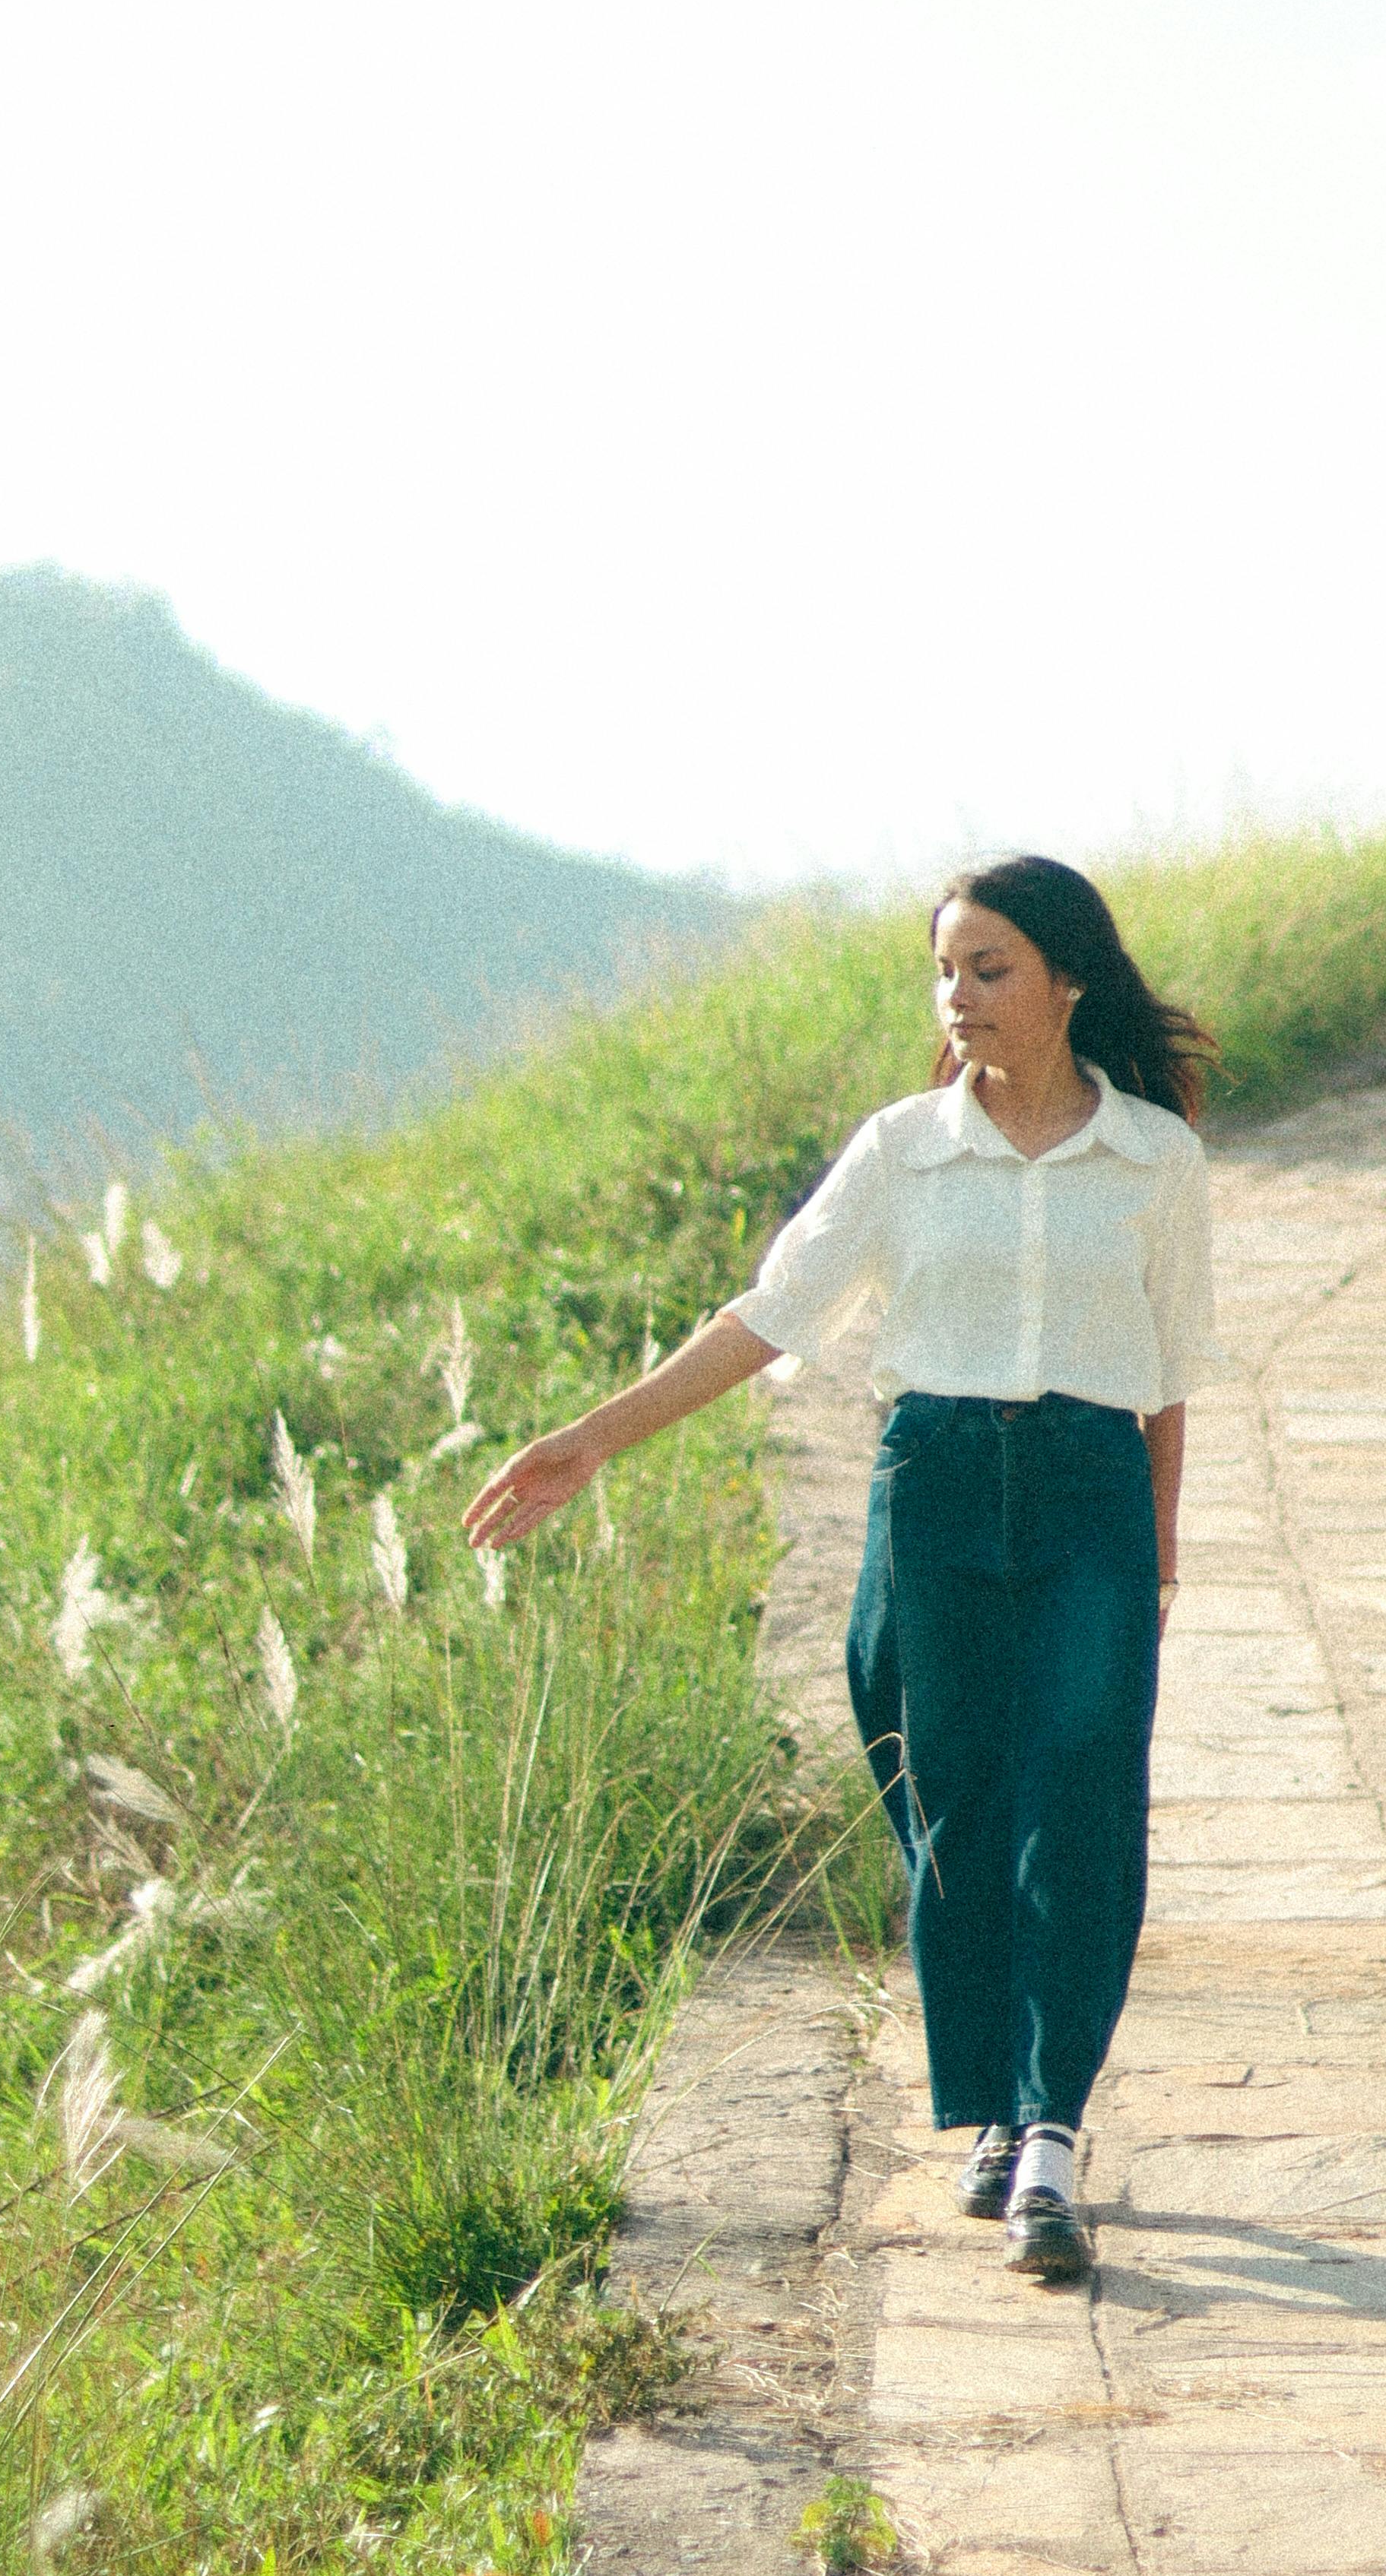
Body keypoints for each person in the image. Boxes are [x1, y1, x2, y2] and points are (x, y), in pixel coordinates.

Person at [461, 854, 1215, 2286]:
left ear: (1068, 979)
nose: (961, 996)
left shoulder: (1156, 1162)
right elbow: (772, 1315)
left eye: (991, 968)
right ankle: (989, 2104)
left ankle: (1051, 2130)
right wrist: (589, 1442)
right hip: (931, 1489)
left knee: (1084, 1800)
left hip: (1088, 1498)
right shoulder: (901, 1150)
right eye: (946, 970)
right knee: (955, 1806)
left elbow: (1172, 1374)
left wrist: (1158, 1551)